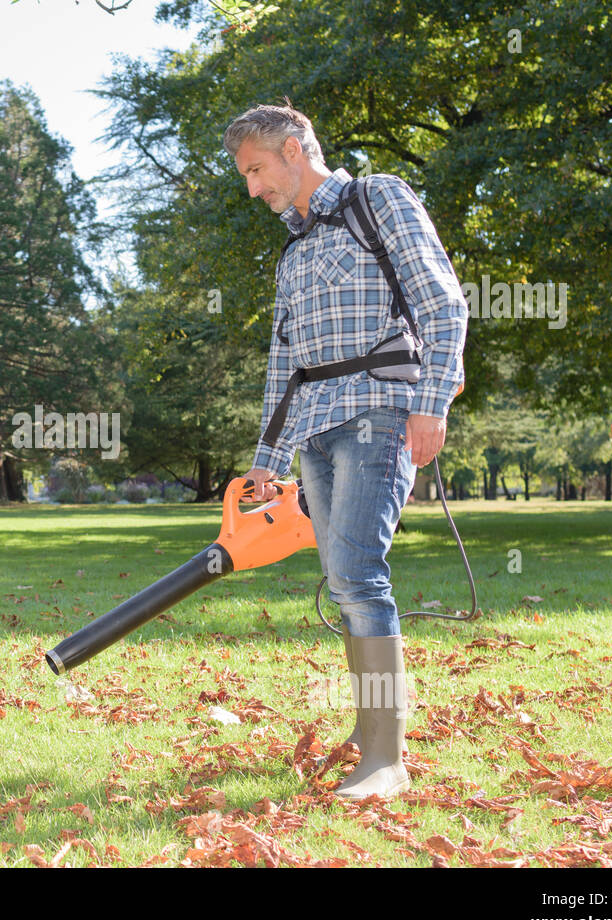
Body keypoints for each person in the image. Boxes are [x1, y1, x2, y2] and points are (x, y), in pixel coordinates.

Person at [224, 103, 467, 799]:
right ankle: (370, 731)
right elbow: (284, 362)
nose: (252, 188)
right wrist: (268, 456)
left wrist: (432, 400)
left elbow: (443, 302)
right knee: (341, 580)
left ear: (295, 150)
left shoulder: (377, 197)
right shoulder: (294, 251)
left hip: (382, 413)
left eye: (257, 169)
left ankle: (389, 760)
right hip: (317, 431)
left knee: (360, 573)